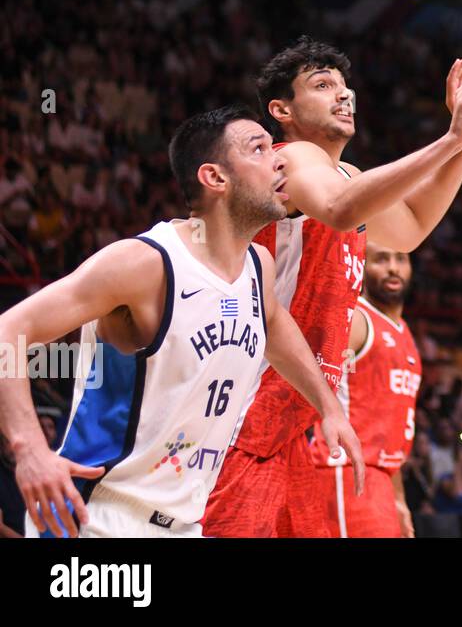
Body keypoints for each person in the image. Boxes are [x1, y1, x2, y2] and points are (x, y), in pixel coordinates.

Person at [0, 106, 363, 537]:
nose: (281, 160)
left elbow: (274, 324)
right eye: (259, 149)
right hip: (98, 515)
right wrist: (29, 450)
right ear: (215, 178)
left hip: (183, 524)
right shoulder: (144, 263)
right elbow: (7, 331)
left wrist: (329, 408)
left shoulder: (257, 267)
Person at [202, 41, 462, 537]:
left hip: (294, 422)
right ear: (282, 110)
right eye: (322, 86)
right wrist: (449, 140)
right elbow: (340, 209)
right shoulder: (291, 157)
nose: (343, 96)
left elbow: (412, 228)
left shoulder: (347, 176)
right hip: (245, 408)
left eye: (345, 87)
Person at [311, 243, 422, 537]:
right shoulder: (356, 319)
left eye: (401, 259)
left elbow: (389, 433)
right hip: (347, 470)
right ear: (362, 266)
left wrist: (398, 497)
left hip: (382, 479)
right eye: (381, 259)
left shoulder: (404, 332)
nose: (393, 268)